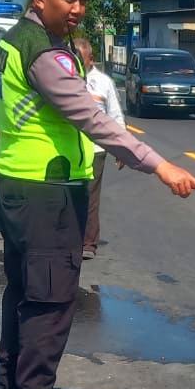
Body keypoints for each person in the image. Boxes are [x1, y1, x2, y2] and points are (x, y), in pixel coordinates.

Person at [0, 0, 195, 389]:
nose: (77, 9)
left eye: (83, 0)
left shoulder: (18, 41)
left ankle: (11, 388)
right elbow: (93, 120)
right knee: (50, 298)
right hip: (45, 191)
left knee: (25, 291)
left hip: (18, 182)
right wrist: (159, 165)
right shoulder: (42, 53)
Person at [74, 37, 120, 260]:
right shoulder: (64, 79)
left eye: (80, 59)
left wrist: (121, 149)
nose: (77, 63)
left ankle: (88, 243)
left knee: (90, 195)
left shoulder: (103, 83)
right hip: (66, 147)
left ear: (90, 59)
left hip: (95, 149)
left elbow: (115, 116)